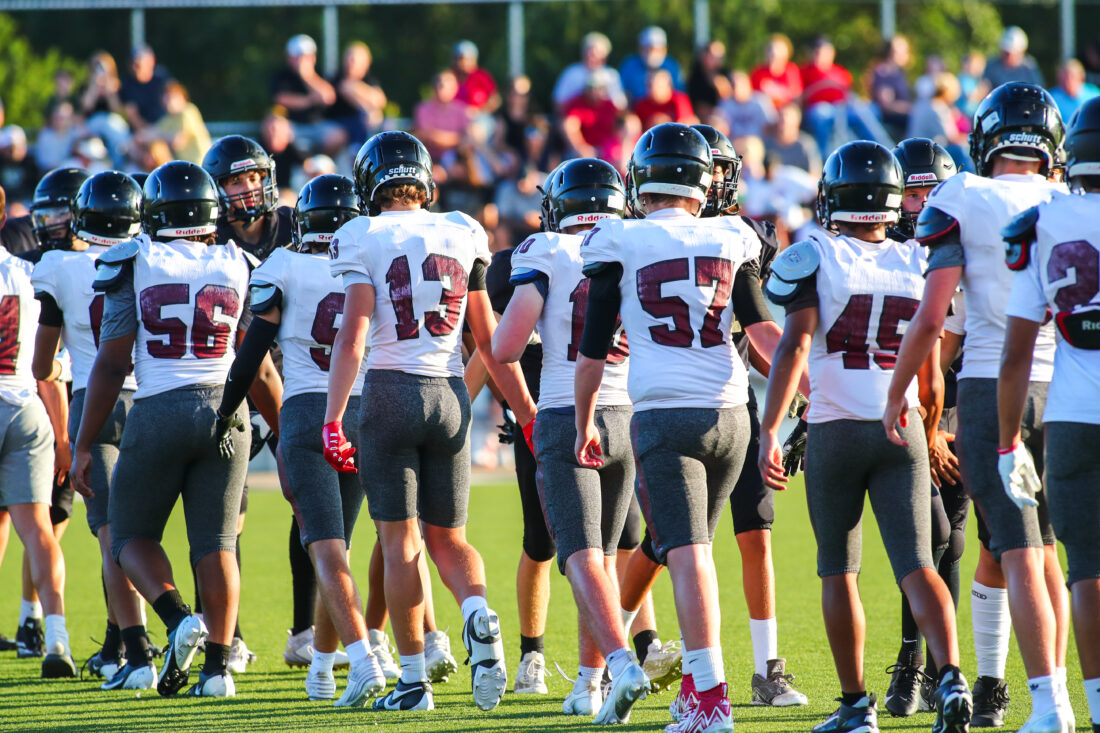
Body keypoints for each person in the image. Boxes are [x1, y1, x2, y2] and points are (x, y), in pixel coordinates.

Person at [762, 140, 972, 733]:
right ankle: (951, 676)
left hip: (834, 427)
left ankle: (856, 707)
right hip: (900, 425)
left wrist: (770, 430)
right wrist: (924, 432)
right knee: (917, 565)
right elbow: (931, 375)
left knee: (839, 570)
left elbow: (796, 344)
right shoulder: (915, 260)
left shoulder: (816, 254)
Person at [324, 131, 537, 712]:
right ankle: (476, 613)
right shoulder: (462, 228)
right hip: (448, 393)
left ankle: (414, 680)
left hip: (391, 391)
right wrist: (526, 411)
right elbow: (489, 343)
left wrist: (333, 416)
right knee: (450, 540)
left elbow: (353, 336)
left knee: (400, 543)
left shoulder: (361, 235)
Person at [883, 82, 1073, 732]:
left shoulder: (961, 195)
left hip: (996, 386)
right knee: (1051, 552)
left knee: (1019, 550)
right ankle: (1071, 700)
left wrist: (899, 392)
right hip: (1069, 390)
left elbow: (936, 315)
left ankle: (1047, 702)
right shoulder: (1068, 200)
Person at [614, 125, 811, 712]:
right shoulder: (698, 238)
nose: (724, 180)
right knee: (666, 544)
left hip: (728, 401)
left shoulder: (740, 237)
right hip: (690, 400)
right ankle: (610, 657)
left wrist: (792, 403)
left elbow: (756, 339)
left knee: (753, 532)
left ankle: (763, 668)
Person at [574, 122, 763, 733]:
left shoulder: (618, 240)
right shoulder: (733, 234)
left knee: (688, 557)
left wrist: (583, 424)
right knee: (690, 552)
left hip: (664, 415)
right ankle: (693, 691)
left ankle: (711, 699)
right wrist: (806, 395)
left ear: (641, 180)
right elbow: (762, 338)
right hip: (733, 414)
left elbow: (594, 350)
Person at [71, 161, 281, 698]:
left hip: (160, 406)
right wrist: (283, 435)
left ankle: (177, 616)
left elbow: (113, 364)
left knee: (129, 534)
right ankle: (217, 671)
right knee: (217, 544)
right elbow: (257, 365)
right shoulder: (240, 261)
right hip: (226, 409)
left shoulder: (134, 259)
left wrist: (82, 444)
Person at [213, 173, 386, 706]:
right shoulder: (372, 263)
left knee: (326, 549)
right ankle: (323, 669)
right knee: (341, 549)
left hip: (309, 409)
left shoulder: (280, 266)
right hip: (365, 411)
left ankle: (360, 661)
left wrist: (225, 411)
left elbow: (252, 353)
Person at [492, 158, 651, 722]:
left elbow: (505, 347)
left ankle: (621, 664)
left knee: (580, 556)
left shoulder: (546, 252)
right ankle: (589, 683)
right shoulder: (636, 243)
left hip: (566, 410)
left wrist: (529, 414)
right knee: (605, 556)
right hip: (626, 415)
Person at [997, 95, 1100, 733]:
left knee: (1087, 574)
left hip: (1071, 418)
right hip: (1069, 417)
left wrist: (1009, 442)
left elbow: (1014, 356)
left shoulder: (1044, 224)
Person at [30, 171, 154, 689]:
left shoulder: (58, 266)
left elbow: (40, 362)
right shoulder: (154, 255)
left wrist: (56, 368)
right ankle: (211, 645)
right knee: (147, 535)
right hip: (150, 399)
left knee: (111, 538)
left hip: (92, 403)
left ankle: (137, 652)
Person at [202, 134, 313, 674]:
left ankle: (306, 631)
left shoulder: (296, 223)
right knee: (230, 510)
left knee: (309, 501)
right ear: (216, 192)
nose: (248, 189)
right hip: (235, 378)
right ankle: (231, 636)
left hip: (298, 374)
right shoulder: (209, 235)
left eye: (254, 177)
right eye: (235, 181)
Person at [878, 138, 970, 718]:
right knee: (925, 538)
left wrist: (938, 419)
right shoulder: (880, 252)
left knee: (953, 537)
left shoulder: (959, 246)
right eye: (911, 191)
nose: (921, 203)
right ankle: (918, 660)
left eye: (931, 191)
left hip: (954, 401)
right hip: (900, 404)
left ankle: (942, 674)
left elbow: (947, 339)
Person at [271, 34, 345, 156]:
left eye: (305, 57)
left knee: (338, 136)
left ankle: (322, 165)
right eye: (297, 57)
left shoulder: (321, 74)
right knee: (276, 131)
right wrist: (310, 100)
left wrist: (307, 76)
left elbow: (328, 97)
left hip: (319, 124)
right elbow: (281, 99)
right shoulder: (282, 76)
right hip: (292, 125)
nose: (300, 60)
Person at [328, 42, 387, 147]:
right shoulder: (338, 77)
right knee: (363, 118)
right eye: (348, 59)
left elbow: (380, 100)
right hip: (340, 121)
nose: (349, 63)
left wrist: (356, 88)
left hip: (361, 123)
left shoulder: (369, 80)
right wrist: (368, 109)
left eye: (353, 60)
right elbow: (346, 90)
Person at [553, 32, 627, 111]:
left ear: (604, 56)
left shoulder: (611, 75)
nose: (590, 56)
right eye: (588, 52)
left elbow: (620, 105)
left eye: (594, 54)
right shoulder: (571, 73)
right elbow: (559, 101)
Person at [414, 70, 472, 160]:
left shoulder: (460, 109)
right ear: (435, 87)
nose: (447, 90)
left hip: (457, 156)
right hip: (430, 157)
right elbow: (429, 136)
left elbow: (469, 135)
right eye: (443, 86)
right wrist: (459, 139)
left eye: (451, 87)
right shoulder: (423, 109)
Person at [149, 82, 211, 165]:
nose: (169, 101)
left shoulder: (188, 111)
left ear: (182, 97)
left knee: (159, 148)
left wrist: (158, 135)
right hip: (184, 165)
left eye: (172, 97)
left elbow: (178, 141)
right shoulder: (168, 118)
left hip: (199, 164)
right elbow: (150, 133)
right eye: (166, 97)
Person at [620, 26, 684, 103]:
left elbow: (680, 94)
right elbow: (621, 93)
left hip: (665, 111)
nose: (651, 52)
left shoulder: (672, 66)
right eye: (647, 48)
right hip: (637, 110)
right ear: (640, 48)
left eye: (656, 49)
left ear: (664, 49)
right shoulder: (629, 65)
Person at [868, 36, 913, 142]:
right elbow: (887, 105)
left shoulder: (900, 72)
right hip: (891, 118)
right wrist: (912, 109)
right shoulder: (883, 72)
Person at [120, 45, 170, 131]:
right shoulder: (126, 84)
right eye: (132, 63)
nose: (134, 68)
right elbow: (130, 114)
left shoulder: (162, 78)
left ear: (151, 61)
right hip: (142, 133)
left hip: (166, 128)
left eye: (138, 64)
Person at [750, 35, 802, 111]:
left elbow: (796, 97)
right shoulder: (758, 72)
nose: (774, 55)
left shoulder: (791, 71)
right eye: (771, 51)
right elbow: (751, 97)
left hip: (785, 111)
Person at [687, 40, 731, 121]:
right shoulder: (695, 77)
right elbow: (696, 105)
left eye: (720, 57)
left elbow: (730, 103)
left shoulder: (726, 75)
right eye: (713, 56)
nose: (716, 60)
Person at [452, 41, 500, 114]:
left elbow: (495, 100)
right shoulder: (450, 77)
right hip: (454, 118)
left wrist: (479, 111)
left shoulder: (482, 76)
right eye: (461, 59)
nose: (464, 62)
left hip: (479, 117)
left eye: (468, 59)